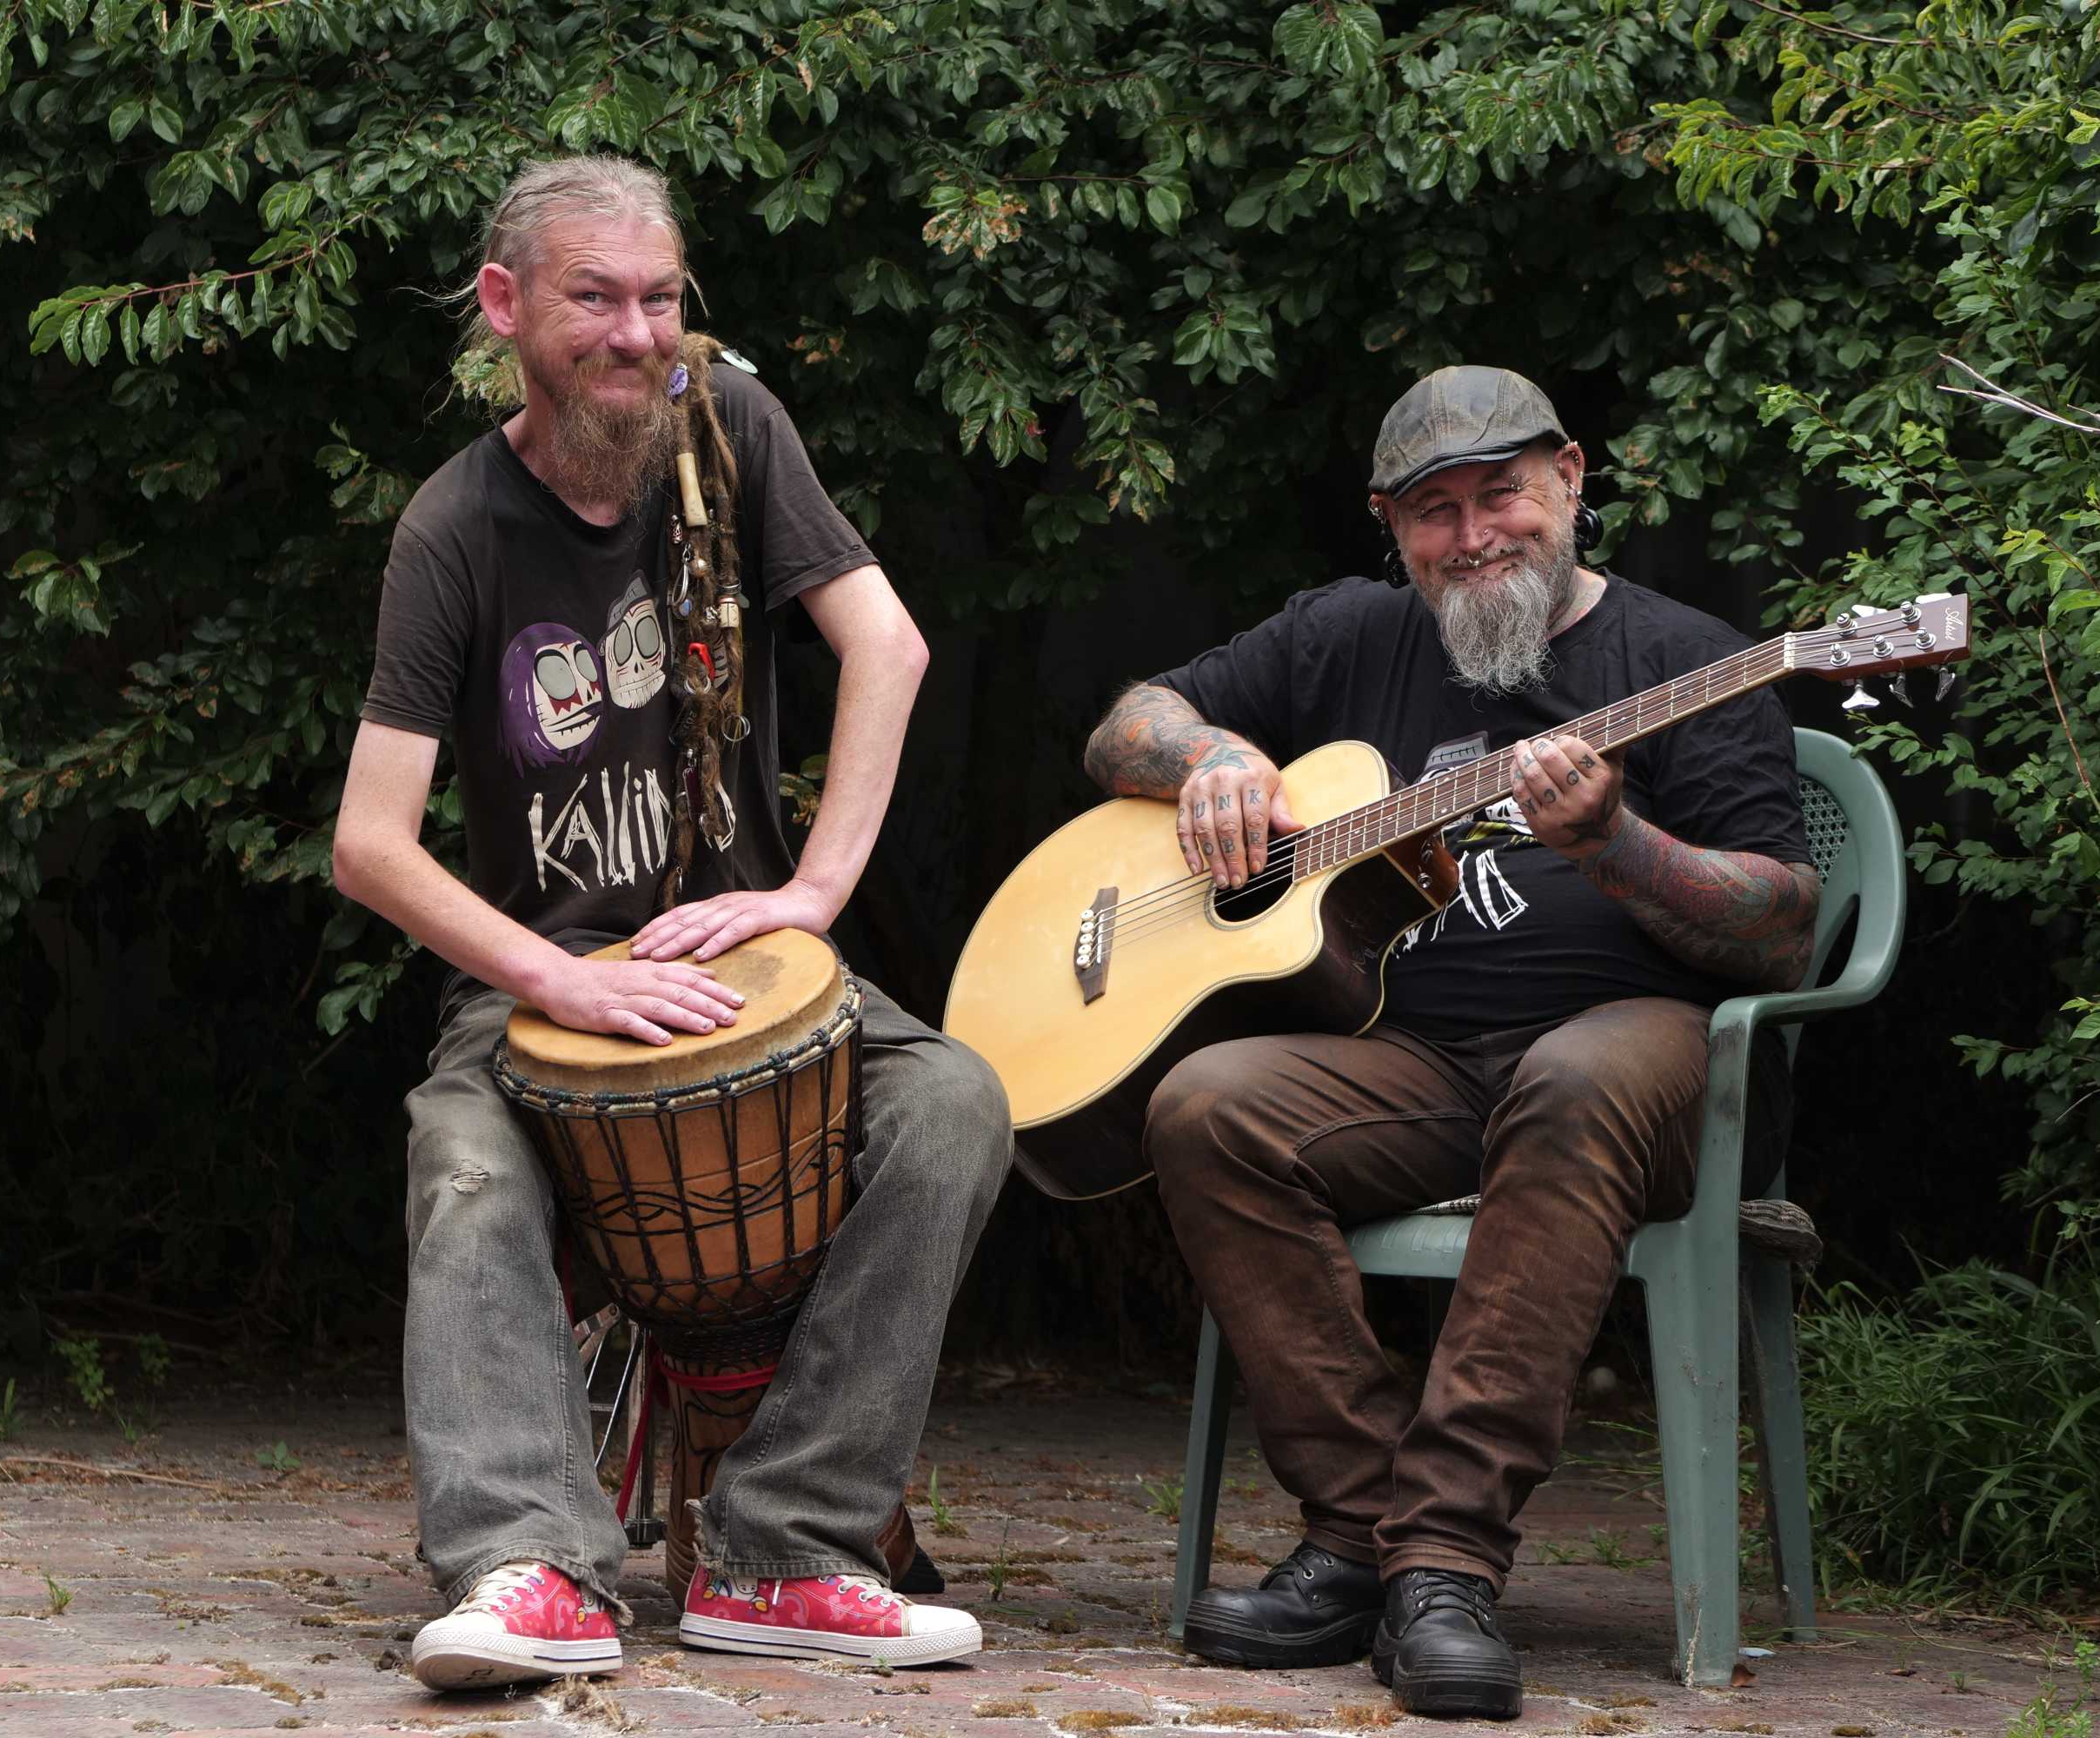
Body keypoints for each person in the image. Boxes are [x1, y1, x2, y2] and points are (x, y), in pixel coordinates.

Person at [334, 156, 1012, 1692]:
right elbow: (370, 845)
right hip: (532, 987)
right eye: (595, 299)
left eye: (659, 297)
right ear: (506, 306)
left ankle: (786, 1548)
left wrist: (814, 896)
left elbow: (885, 649)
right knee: (458, 1163)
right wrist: (555, 973)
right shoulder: (456, 528)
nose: (637, 334)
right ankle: (527, 1566)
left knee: (956, 1102)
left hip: (752, 969)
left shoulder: (734, 433)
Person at [1081, 367, 1820, 1718]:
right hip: (1413, 1056)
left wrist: (1618, 842)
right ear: (1390, 524)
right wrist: (1211, 764)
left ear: (1572, 477)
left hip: (1637, 1064)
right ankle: (1365, 1538)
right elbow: (1126, 719)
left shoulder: (1685, 661)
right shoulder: (1347, 637)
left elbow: (1780, 931)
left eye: (1504, 495)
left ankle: (1449, 1559)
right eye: (1436, 511)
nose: (1476, 535)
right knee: (1208, 1103)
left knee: (1576, 1075)